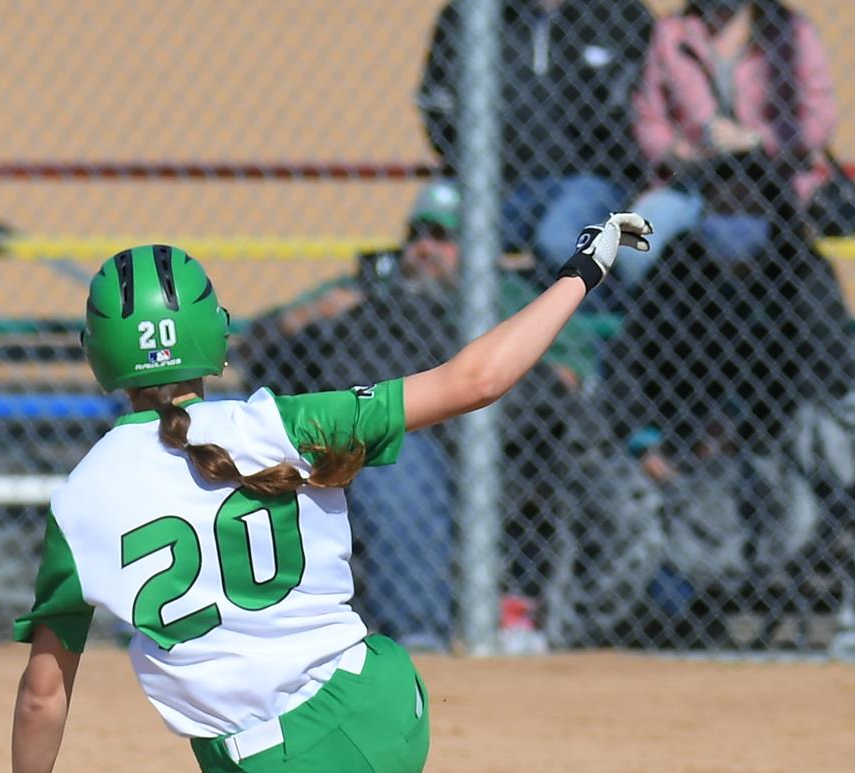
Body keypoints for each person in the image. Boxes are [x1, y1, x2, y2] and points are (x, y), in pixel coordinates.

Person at [2, 216, 652, 773]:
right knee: (344, 772)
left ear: (98, 353)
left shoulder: (80, 498)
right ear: (215, 334)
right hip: (388, 709)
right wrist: (581, 273)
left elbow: (42, 695)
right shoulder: (284, 421)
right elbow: (477, 379)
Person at [233, 182, 599, 650]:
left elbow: (572, 373)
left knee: (399, 460)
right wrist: (316, 314)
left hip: (491, 452)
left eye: (442, 237)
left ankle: (431, 629)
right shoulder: (369, 288)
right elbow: (252, 344)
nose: (424, 249)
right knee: (389, 456)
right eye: (417, 235)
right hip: (366, 442)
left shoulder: (507, 298)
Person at [604, 153, 855, 647]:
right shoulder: (681, 265)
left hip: (779, 444)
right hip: (681, 439)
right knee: (623, 487)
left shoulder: (800, 270)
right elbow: (629, 362)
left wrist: (747, 429)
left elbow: (828, 372)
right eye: (720, 208)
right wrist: (647, 443)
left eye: (746, 207)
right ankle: (673, 617)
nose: (732, 220)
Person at [418, 0, 655, 277]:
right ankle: (469, 305)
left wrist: (635, 171)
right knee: (433, 235)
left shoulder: (619, 13)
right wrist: (474, 165)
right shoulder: (468, 15)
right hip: (495, 183)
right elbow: (437, 104)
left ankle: (585, 306)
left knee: (558, 240)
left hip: (592, 177)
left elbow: (650, 108)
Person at [625, 0, 838, 282]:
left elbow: (820, 119)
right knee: (632, 248)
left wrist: (755, 138)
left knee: (744, 244)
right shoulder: (672, 33)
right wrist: (674, 151)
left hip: (773, 182)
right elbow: (648, 117)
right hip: (694, 180)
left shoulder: (791, 31)